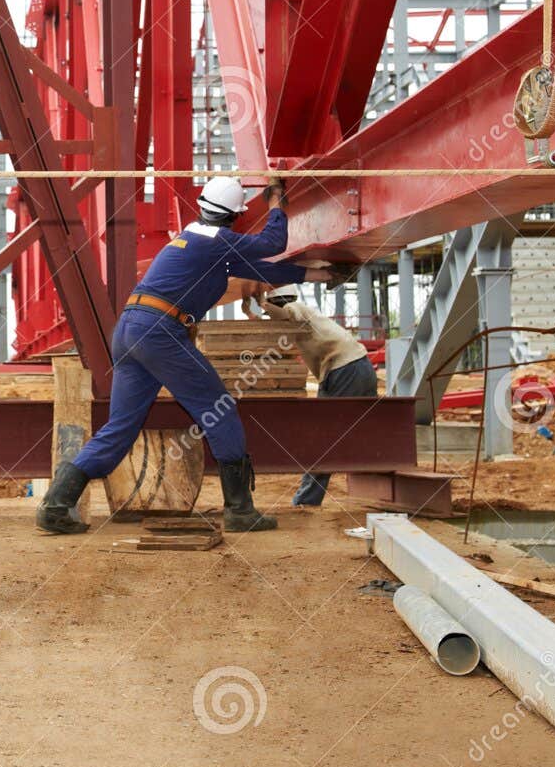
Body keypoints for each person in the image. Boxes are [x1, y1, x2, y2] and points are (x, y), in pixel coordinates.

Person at [37, 177, 347, 535]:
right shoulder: (215, 242)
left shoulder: (193, 240)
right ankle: (240, 510)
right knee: (219, 409)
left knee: (120, 427)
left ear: (203, 205)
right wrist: (277, 201)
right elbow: (272, 243)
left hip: (130, 331)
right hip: (160, 332)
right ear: (234, 216)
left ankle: (55, 506)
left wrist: (318, 274)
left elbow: (259, 269)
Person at [245, 285, 376, 506]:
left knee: (323, 438)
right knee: (364, 433)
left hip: (345, 371)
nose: (270, 316)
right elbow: (272, 328)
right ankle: (380, 484)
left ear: (278, 303)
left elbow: (284, 313)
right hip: (351, 369)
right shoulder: (299, 323)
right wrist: (251, 313)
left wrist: (260, 302)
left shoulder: (296, 308)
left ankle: (307, 500)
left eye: (270, 310)